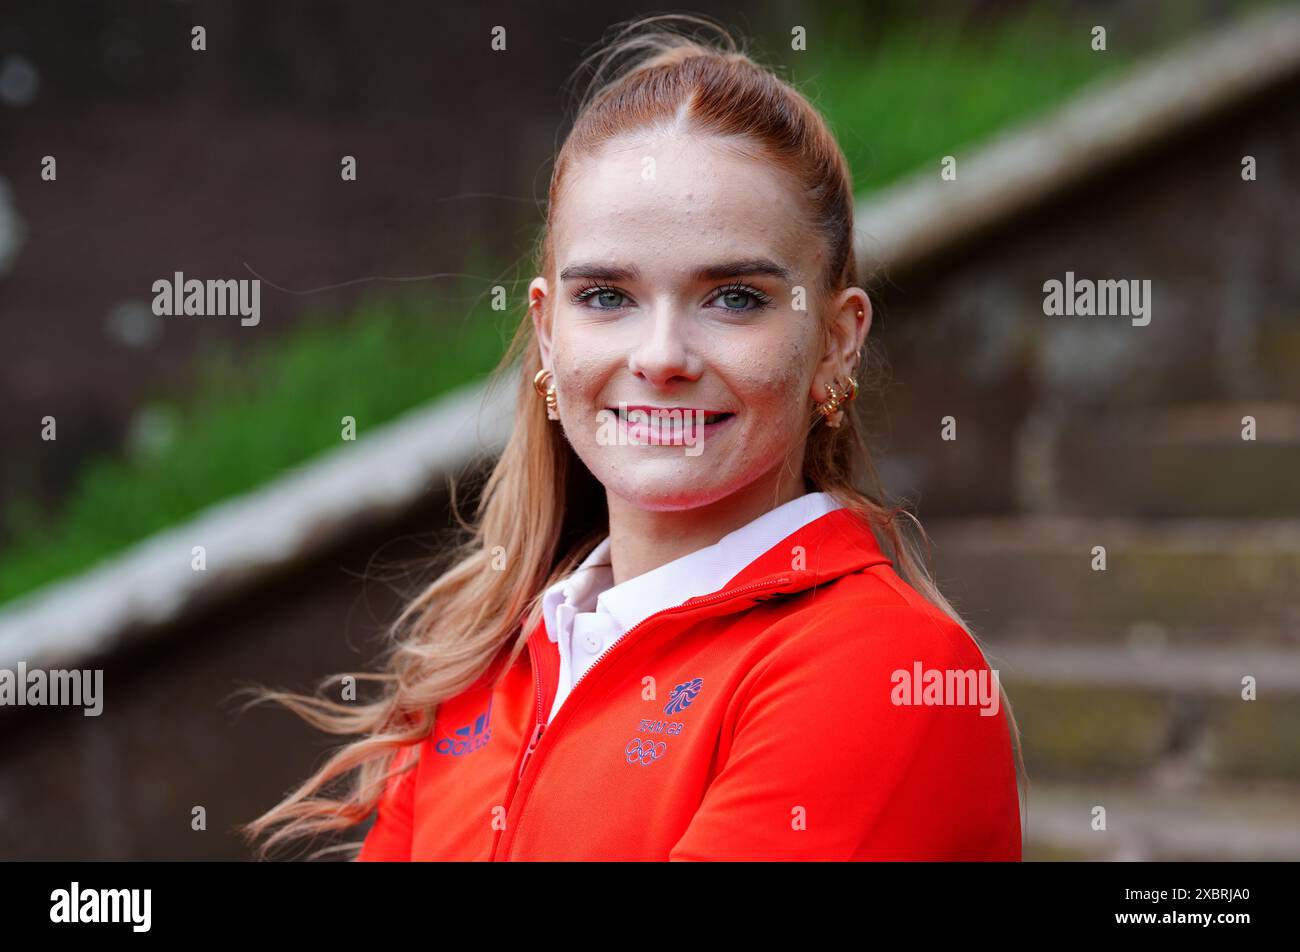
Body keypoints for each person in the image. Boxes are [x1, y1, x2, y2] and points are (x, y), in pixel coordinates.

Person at [242, 13, 1025, 861]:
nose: (660, 358)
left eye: (734, 298)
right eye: (607, 297)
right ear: (547, 334)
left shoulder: (885, 670)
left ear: (836, 341)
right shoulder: (479, 668)